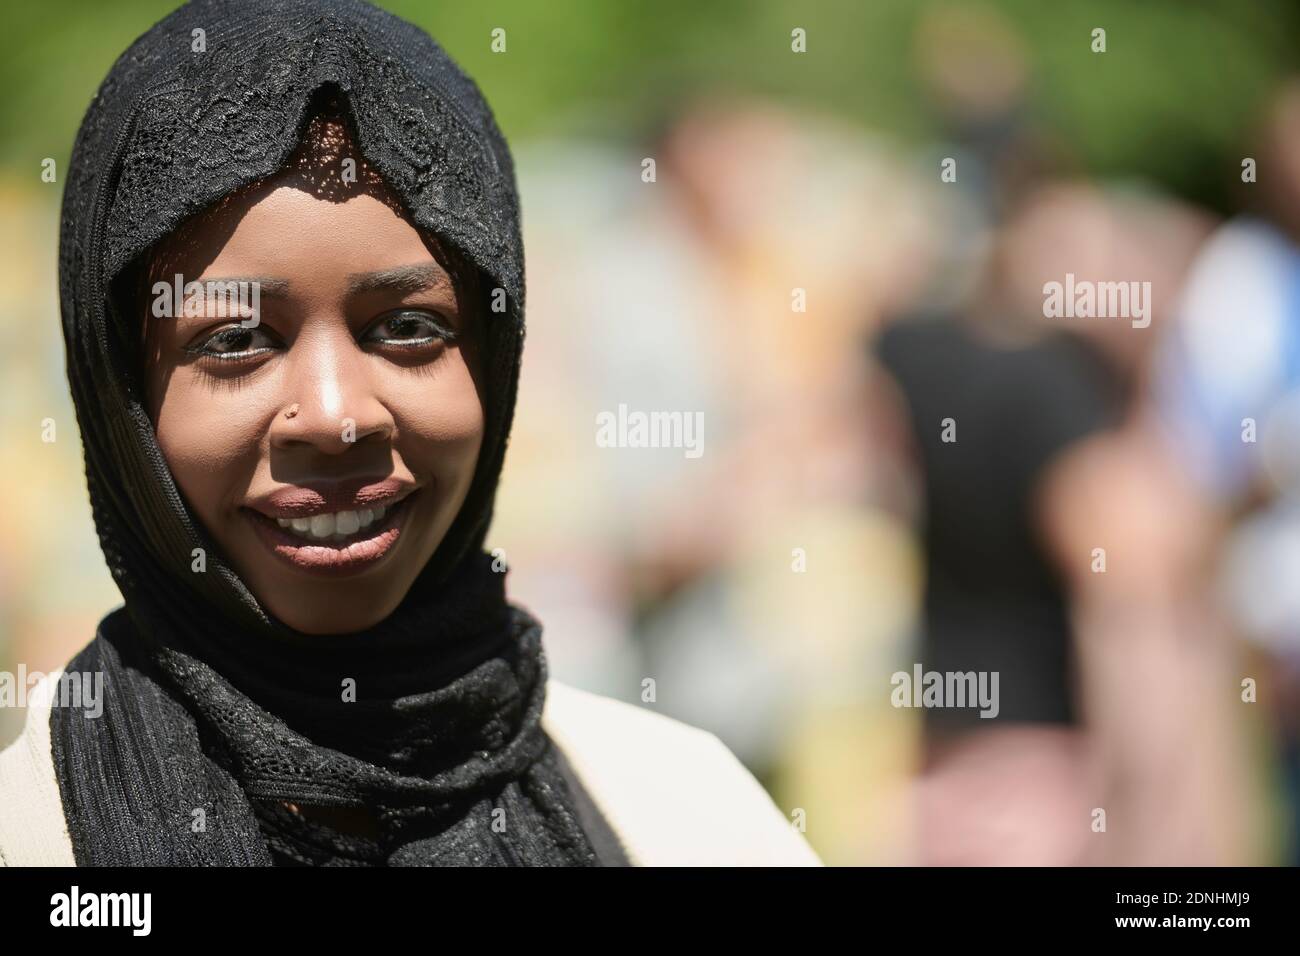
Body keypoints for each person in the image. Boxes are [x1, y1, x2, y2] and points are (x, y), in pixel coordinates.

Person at [0, 0, 819, 867]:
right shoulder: (34, 838)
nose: (335, 415)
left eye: (406, 328)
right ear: (120, 390)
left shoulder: (685, 814)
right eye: (236, 340)